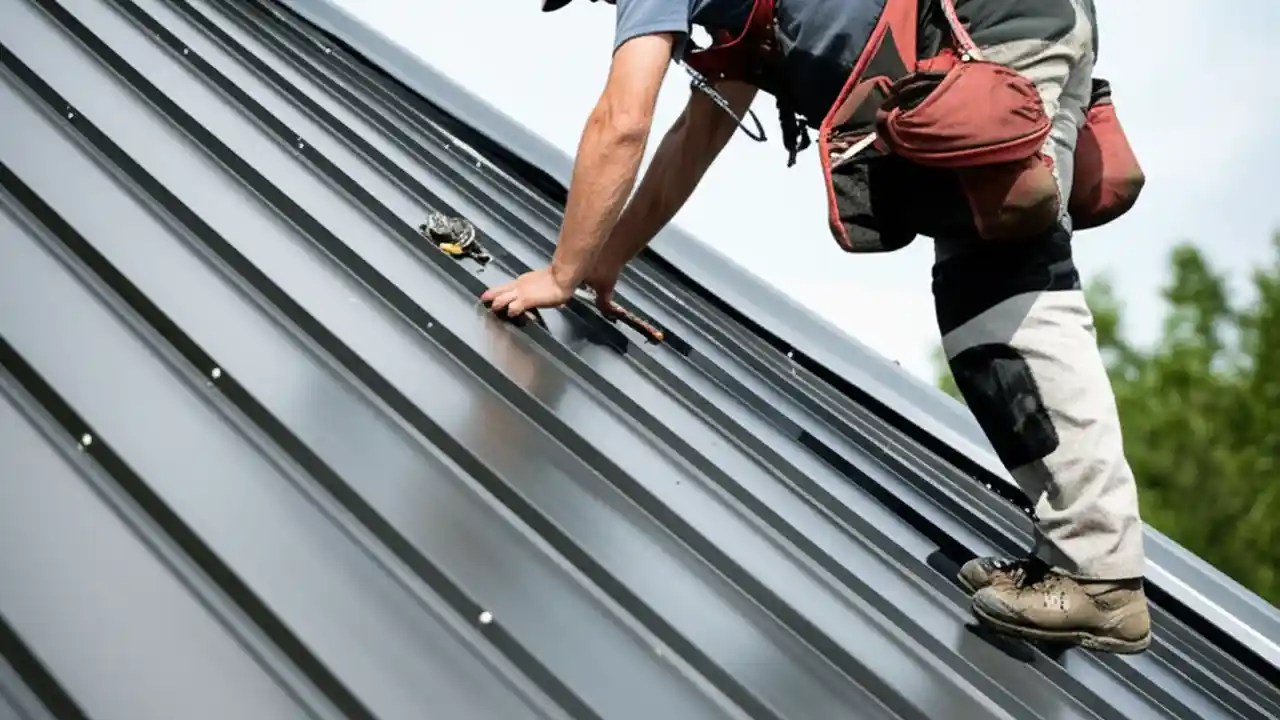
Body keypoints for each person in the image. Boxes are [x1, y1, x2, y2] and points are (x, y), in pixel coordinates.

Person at [481, 0, 1152, 654]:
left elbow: (623, 121)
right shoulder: (739, 18)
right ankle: (1076, 558)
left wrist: (561, 275)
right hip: (1009, 24)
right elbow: (694, 137)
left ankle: (1100, 576)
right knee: (986, 299)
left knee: (1007, 284)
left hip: (994, 21)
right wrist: (605, 261)